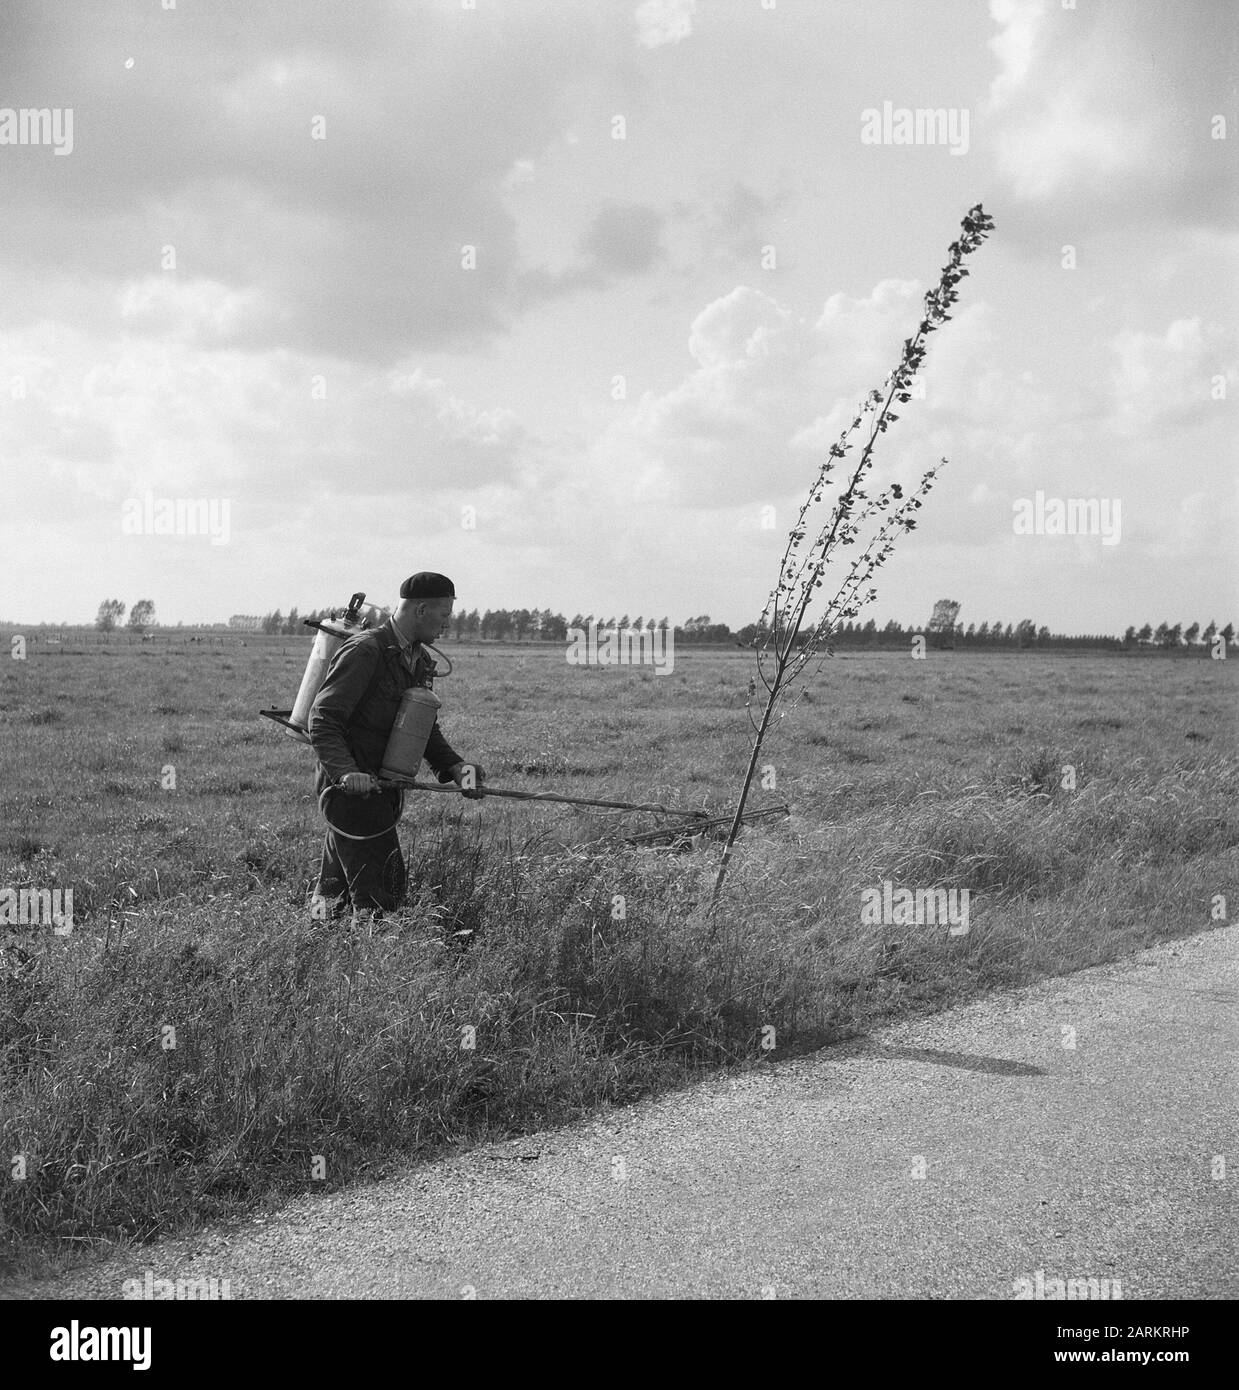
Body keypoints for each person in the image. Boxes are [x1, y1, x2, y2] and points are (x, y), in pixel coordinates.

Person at [307, 571, 485, 920]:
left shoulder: (415, 659)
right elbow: (323, 719)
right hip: (351, 793)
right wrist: (347, 773)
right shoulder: (366, 651)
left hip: (380, 790)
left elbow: (422, 729)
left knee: (335, 889)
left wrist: (455, 767)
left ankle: (314, 949)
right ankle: (376, 963)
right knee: (381, 890)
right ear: (420, 610)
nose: (446, 625)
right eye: (444, 614)